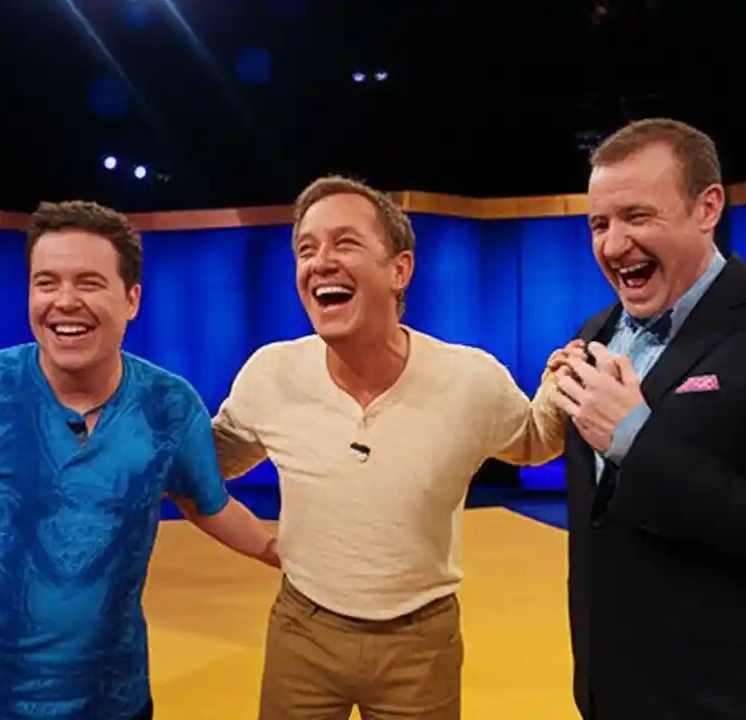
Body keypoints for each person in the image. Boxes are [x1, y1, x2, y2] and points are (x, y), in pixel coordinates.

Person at [0, 200, 280, 720]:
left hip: (112, 701)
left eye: (88, 283)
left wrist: (284, 551)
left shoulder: (170, 405)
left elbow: (205, 501)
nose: (64, 301)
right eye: (47, 283)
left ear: (132, 298)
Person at [192, 175, 568, 719]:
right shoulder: (271, 375)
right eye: (306, 248)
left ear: (400, 270)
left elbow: (533, 442)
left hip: (421, 642)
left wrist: (559, 386)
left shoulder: (470, 380)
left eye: (345, 242)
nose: (320, 261)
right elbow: (203, 465)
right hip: (303, 633)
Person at [548, 118, 746, 719]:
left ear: (707, 207)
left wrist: (636, 443)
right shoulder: (594, 335)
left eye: (637, 216)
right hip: (606, 694)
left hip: (723, 701)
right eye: (599, 223)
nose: (614, 244)